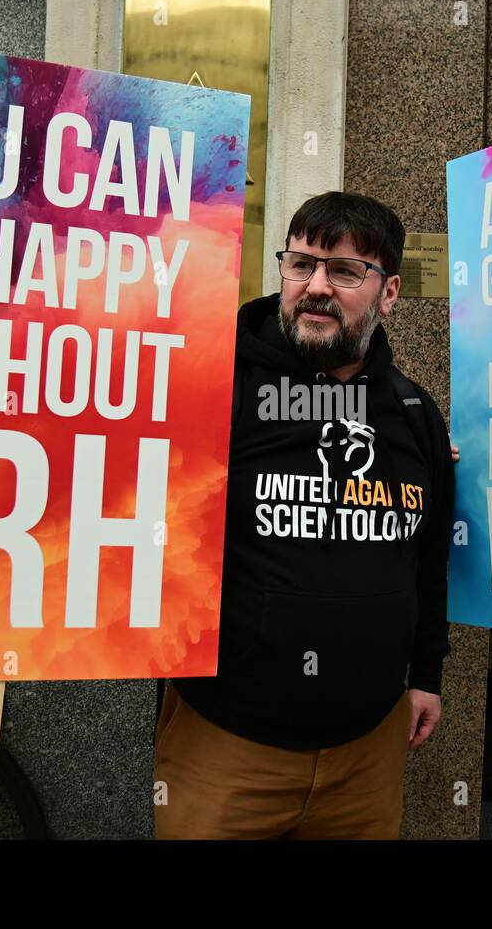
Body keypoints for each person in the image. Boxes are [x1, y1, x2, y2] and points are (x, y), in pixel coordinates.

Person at [154, 191, 454, 839]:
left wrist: (426, 675)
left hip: (369, 754)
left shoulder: (414, 415)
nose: (315, 287)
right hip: (226, 747)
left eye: (345, 271)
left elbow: (429, 559)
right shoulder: (214, 386)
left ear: (390, 292)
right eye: (300, 265)